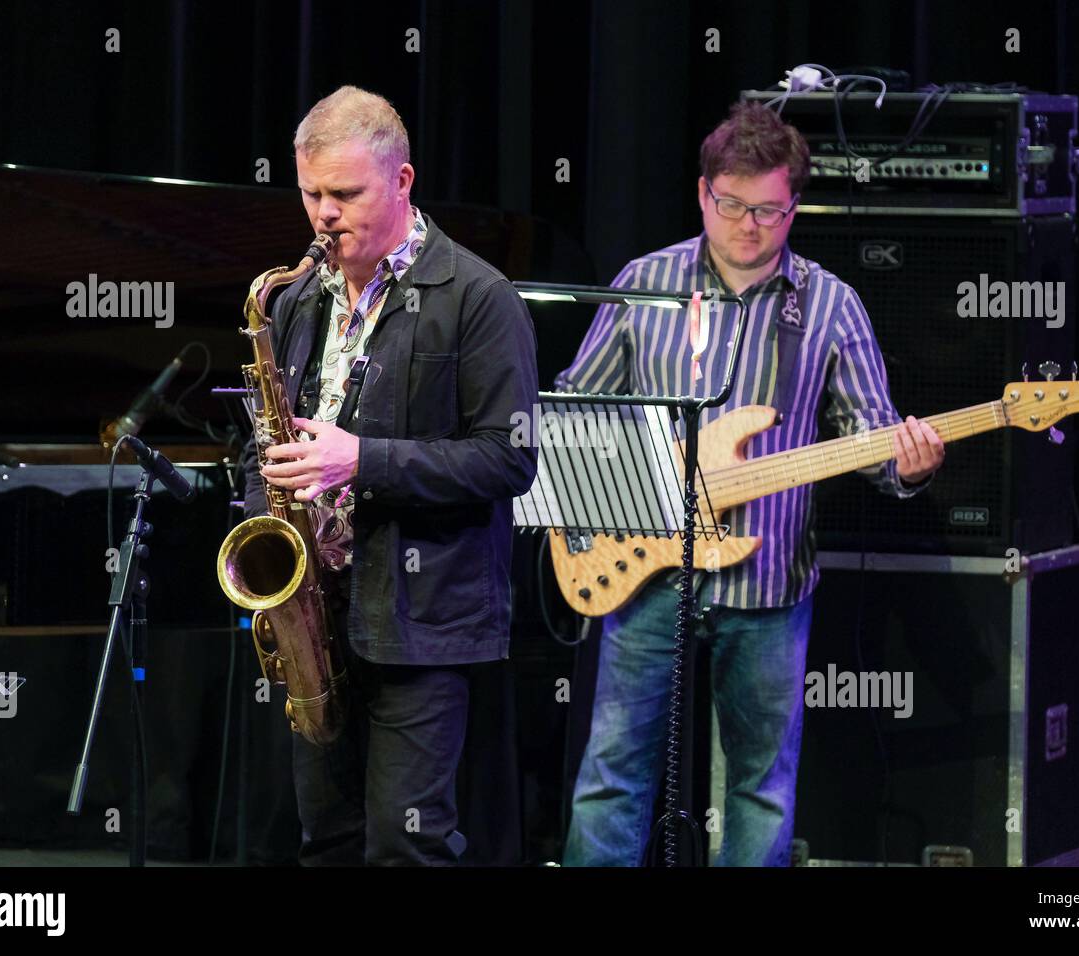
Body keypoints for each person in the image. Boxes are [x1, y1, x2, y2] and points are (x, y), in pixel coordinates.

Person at [557, 102, 944, 866]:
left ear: (793, 207)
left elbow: (872, 437)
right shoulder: (646, 284)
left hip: (770, 586)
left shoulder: (830, 305)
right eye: (731, 205)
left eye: (769, 210)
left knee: (761, 789)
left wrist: (907, 465)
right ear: (703, 194)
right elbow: (573, 415)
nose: (748, 225)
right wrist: (664, 464)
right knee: (612, 777)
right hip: (643, 575)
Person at [240, 85, 538, 866]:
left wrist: (361, 460)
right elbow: (264, 442)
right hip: (319, 615)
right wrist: (268, 544)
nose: (324, 215)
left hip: (421, 622)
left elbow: (509, 457)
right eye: (311, 194)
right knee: (326, 841)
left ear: (402, 182)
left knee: (405, 846)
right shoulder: (298, 297)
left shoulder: (479, 297)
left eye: (345, 193)